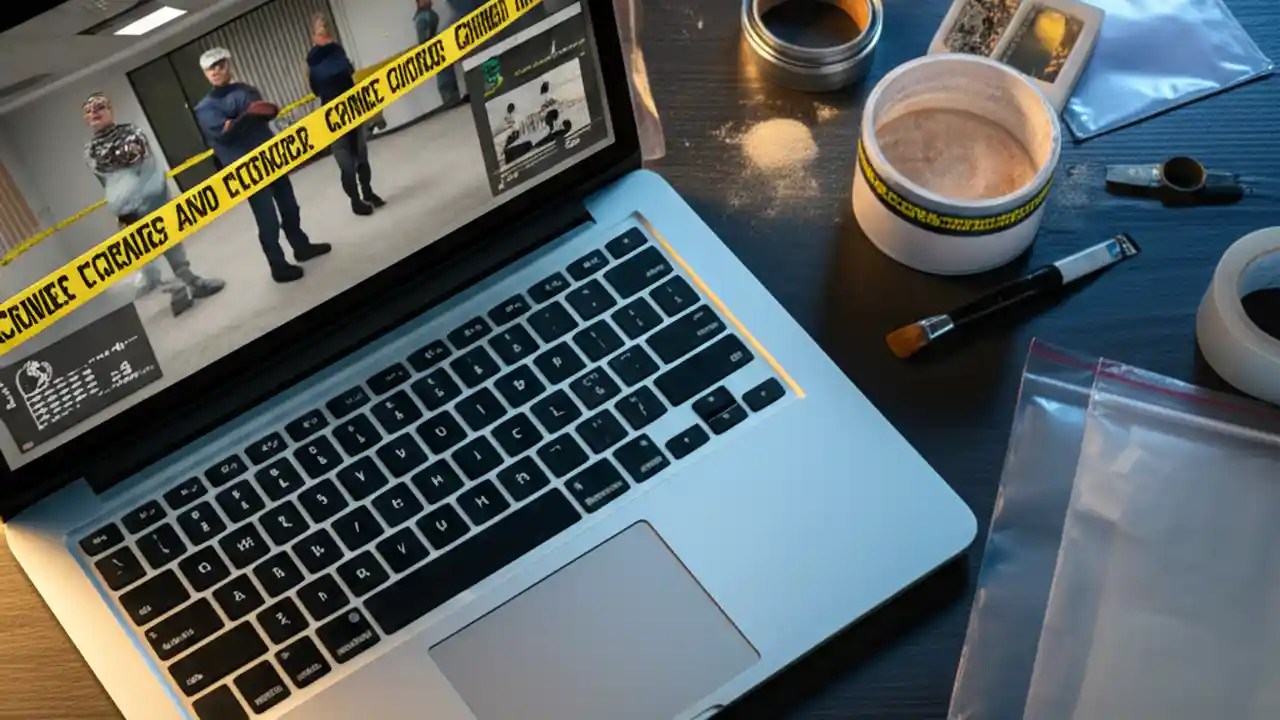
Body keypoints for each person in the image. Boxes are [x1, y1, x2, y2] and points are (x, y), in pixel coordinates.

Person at [193, 47, 330, 283]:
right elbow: (226, 135)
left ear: (229, 65)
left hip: (270, 157)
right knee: (267, 219)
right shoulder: (204, 108)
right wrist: (246, 116)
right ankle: (278, 266)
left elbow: (262, 114)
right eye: (210, 68)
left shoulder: (247, 90)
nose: (216, 71)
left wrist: (239, 119)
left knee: (290, 205)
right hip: (247, 170)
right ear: (205, 74)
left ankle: (301, 246)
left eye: (220, 65)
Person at [82, 93, 224, 316]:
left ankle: (192, 284)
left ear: (111, 110)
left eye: (99, 107)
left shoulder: (132, 132)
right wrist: (121, 209)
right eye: (88, 111)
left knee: (172, 246)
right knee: (146, 260)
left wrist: (156, 197)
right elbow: (109, 181)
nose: (94, 113)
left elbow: (146, 165)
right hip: (126, 210)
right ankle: (178, 291)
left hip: (153, 199)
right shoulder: (90, 151)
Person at [307, 14, 385, 216]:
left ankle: (367, 192)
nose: (324, 30)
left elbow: (348, 73)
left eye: (326, 27)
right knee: (345, 163)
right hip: (333, 116)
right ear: (313, 35)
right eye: (319, 29)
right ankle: (355, 201)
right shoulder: (312, 60)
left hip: (352, 108)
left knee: (361, 154)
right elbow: (316, 88)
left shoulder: (338, 51)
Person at [413, 0, 463, 107]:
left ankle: (451, 100)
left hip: (439, 53)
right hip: (438, 52)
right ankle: (451, 100)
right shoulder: (425, 16)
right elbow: (425, 41)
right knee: (446, 78)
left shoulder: (425, 16)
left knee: (446, 78)